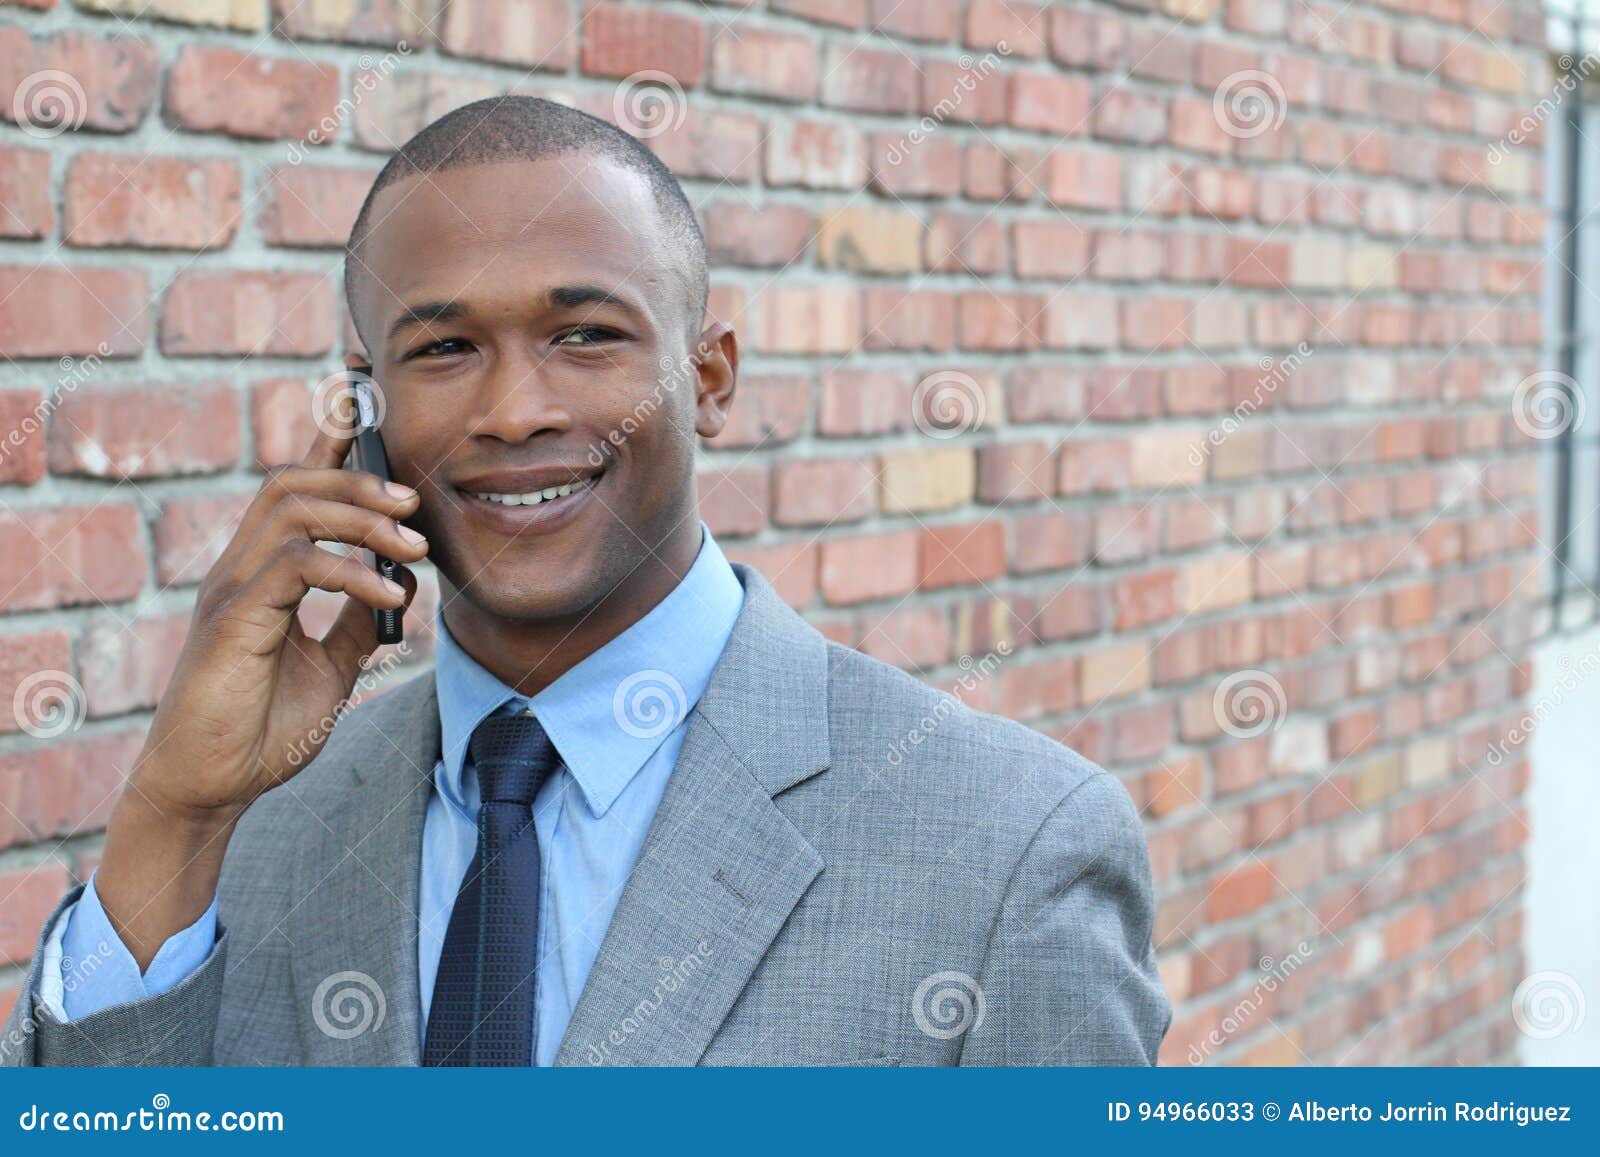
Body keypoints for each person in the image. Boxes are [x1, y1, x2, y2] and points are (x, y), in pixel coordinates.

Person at [2, 96, 1170, 1067]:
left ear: (708, 375)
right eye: (443, 349)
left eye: (587, 336)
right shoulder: (249, 831)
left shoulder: (1011, 847)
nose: (515, 410)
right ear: (364, 410)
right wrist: (173, 815)